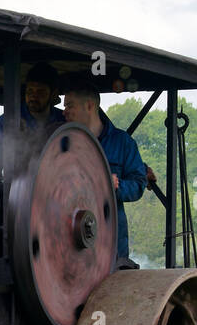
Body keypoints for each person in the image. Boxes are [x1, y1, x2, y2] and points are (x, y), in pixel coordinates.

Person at [61, 75, 148, 267]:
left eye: (70, 106)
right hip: (68, 241)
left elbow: (139, 184)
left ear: (90, 106)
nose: (64, 112)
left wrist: (117, 186)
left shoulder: (123, 143)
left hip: (111, 245)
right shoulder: (62, 142)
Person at [0, 61, 65, 176]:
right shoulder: (7, 122)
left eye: (40, 92)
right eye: (30, 90)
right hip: (16, 190)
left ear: (53, 94)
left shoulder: (63, 121)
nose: (33, 96)